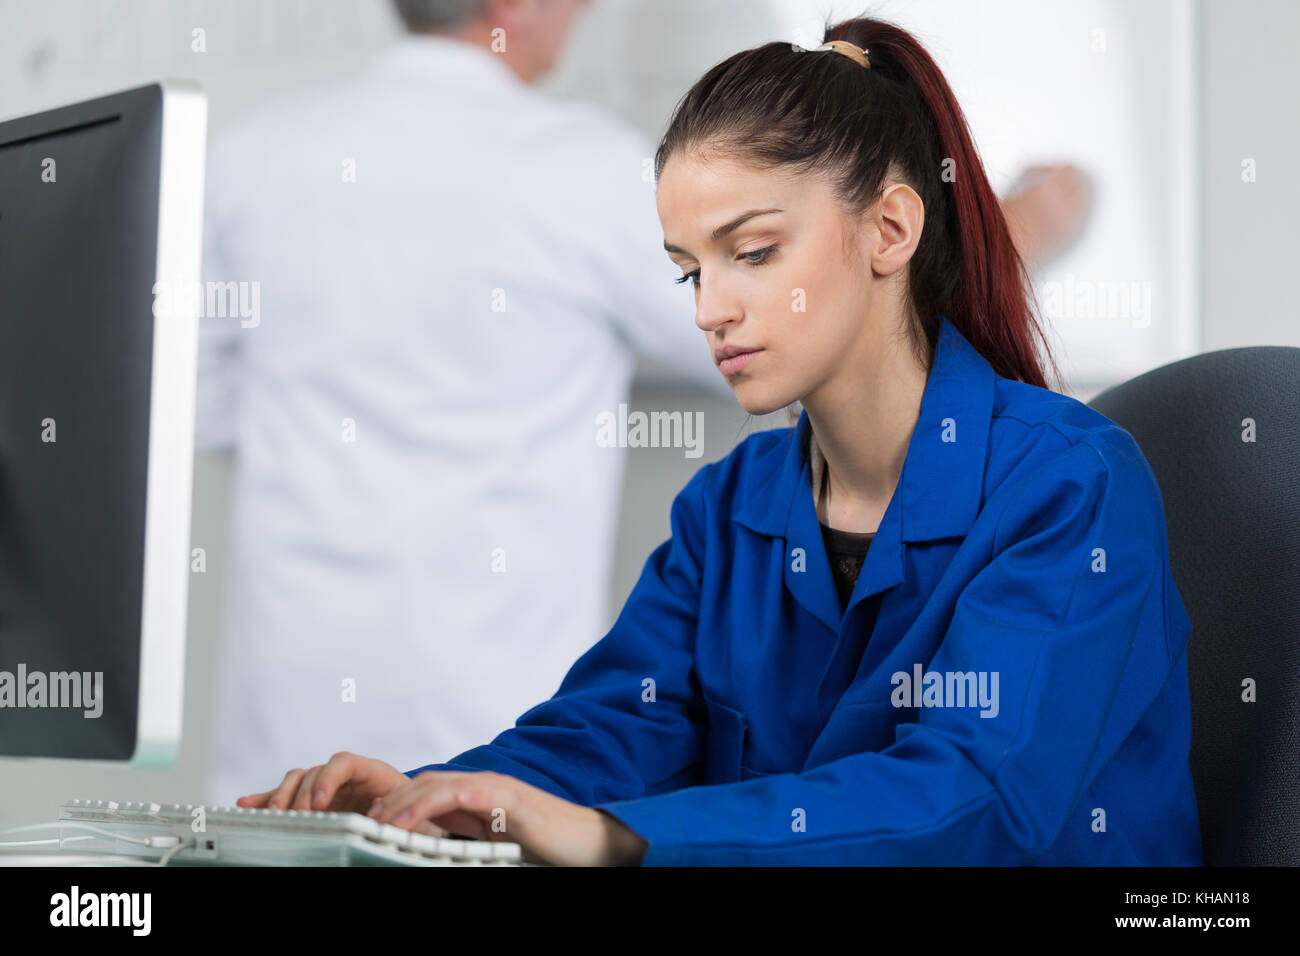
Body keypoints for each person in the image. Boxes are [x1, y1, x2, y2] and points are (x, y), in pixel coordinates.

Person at [237, 16, 1202, 866]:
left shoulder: (1072, 488)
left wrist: (619, 838)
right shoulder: (728, 508)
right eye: (686, 272)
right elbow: (614, 730)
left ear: (890, 229)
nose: (711, 309)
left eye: (751, 254)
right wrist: (436, 799)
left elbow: (973, 797)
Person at [196, 0, 730, 807]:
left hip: (281, 755)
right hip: (494, 773)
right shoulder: (589, 171)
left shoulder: (252, 154)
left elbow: (199, 403)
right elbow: (762, 335)